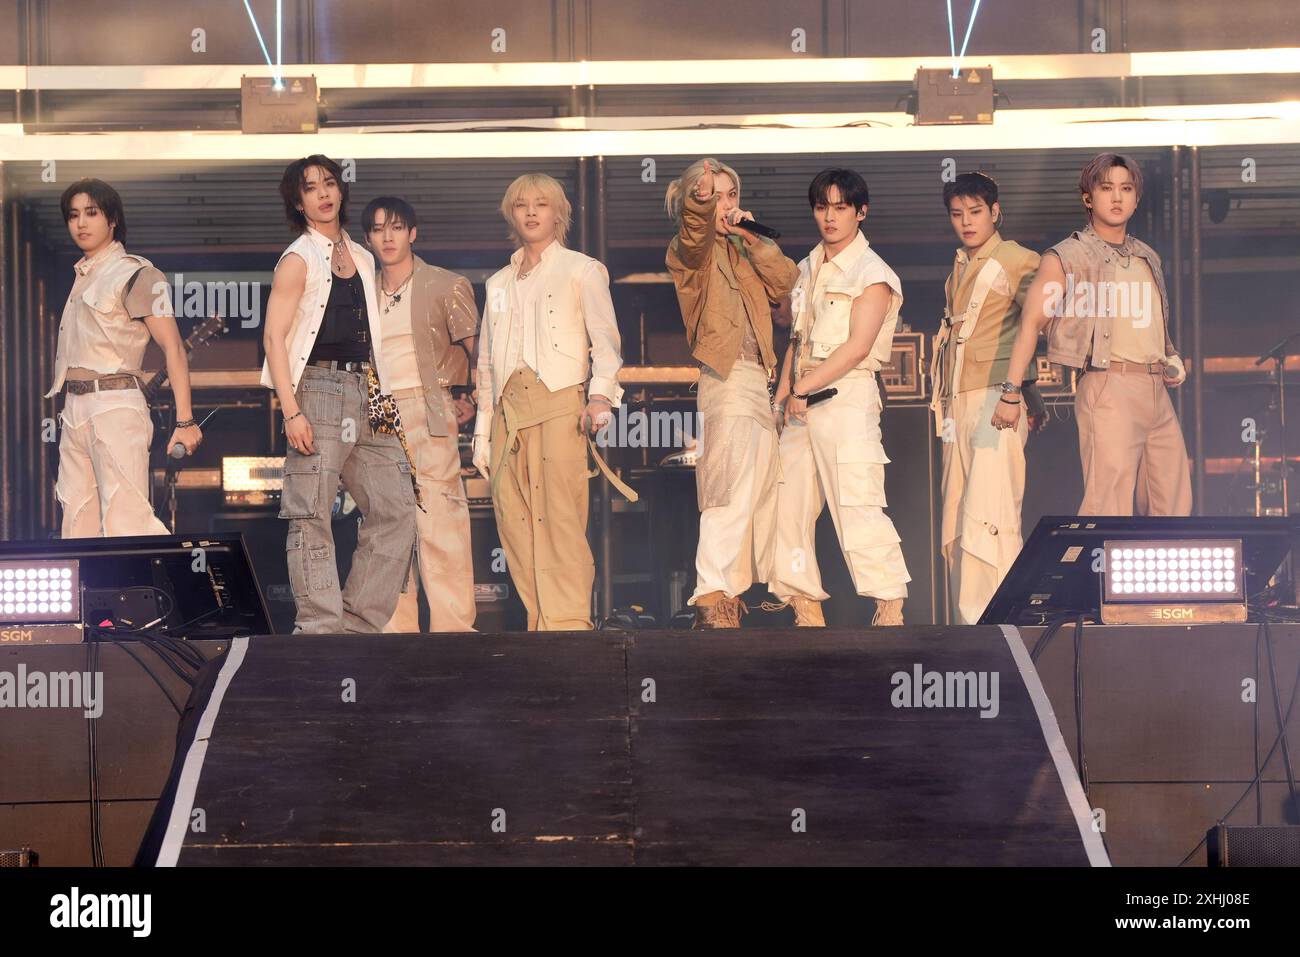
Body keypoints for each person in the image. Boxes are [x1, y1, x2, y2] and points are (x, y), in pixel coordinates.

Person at [262, 155, 418, 634]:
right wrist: (291, 411)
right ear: (298, 200)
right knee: (312, 513)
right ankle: (319, 629)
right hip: (318, 387)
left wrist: (383, 395)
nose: (324, 193)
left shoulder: (366, 257)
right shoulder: (297, 259)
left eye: (329, 183)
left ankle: (358, 625)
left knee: (398, 509)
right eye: (311, 188)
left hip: (366, 389)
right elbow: (274, 338)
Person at [471, 173, 630, 631]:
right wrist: (482, 433)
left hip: (561, 401)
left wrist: (600, 396)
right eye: (522, 205)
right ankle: (540, 622)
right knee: (514, 522)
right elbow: (485, 361)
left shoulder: (582, 269)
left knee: (560, 517)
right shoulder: (498, 282)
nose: (531, 212)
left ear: (558, 213)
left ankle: (569, 624)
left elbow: (606, 342)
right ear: (511, 214)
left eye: (541, 204)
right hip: (507, 412)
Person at [994, 153, 1190, 516]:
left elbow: (1153, 324)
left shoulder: (1148, 257)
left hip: (1155, 388)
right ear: (1088, 197)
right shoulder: (1067, 256)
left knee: (1173, 501)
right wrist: (1010, 392)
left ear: (1136, 198)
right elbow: (1030, 325)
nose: (1117, 198)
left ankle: (1153, 574)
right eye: (1106, 188)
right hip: (1108, 383)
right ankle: (1096, 574)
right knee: (1108, 502)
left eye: (1126, 188)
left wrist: (1171, 356)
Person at [767, 168, 910, 627]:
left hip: (845, 399)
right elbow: (796, 340)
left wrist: (802, 390)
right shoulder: (808, 266)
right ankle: (803, 605)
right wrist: (782, 396)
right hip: (798, 405)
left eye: (840, 207)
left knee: (857, 502)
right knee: (785, 503)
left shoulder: (874, 273)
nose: (829, 217)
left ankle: (889, 605)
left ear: (860, 212)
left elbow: (858, 347)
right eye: (822, 206)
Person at [665, 158, 798, 629]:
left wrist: (754, 240)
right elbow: (693, 238)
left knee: (759, 487)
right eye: (714, 195)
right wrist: (699, 203)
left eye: (730, 195)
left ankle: (730, 595)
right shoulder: (689, 253)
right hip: (725, 377)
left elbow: (787, 284)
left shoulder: (746, 249)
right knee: (729, 486)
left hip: (759, 380)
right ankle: (711, 592)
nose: (726, 204)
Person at [48, 178, 201, 537]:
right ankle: (86, 594)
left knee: (127, 520)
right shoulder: (82, 276)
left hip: (116, 404)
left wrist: (185, 421)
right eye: (73, 216)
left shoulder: (137, 273)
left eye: (91, 213)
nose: (80, 223)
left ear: (112, 219)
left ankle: (164, 590)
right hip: (74, 410)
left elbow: (174, 347)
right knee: (75, 526)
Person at [931, 172, 1046, 625]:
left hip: (996, 396)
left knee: (990, 508)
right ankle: (970, 624)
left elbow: (1037, 324)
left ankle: (1000, 619)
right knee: (959, 512)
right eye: (957, 214)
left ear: (995, 212)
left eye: (975, 212)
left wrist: (1018, 392)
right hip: (957, 401)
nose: (966, 222)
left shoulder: (1019, 259)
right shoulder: (959, 265)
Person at [365, 196, 479, 633]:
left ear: (412, 233)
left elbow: (477, 349)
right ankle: (395, 631)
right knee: (385, 522)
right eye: (377, 230)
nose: (387, 237)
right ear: (369, 239)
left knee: (440, 517)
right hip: (378, 411)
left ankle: (453, 628)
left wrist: (473, 400)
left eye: (396, 228)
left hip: (429, 407)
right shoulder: (363, 289)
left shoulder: (444, 284)